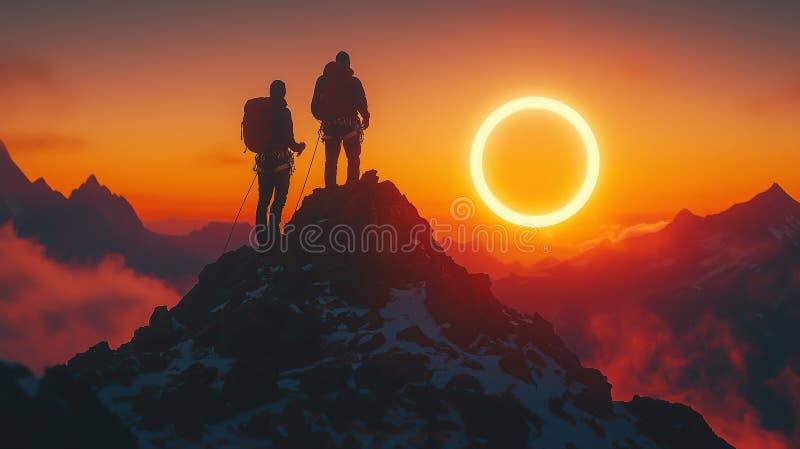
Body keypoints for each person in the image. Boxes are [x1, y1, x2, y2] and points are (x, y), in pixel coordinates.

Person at [254, 80, 305, 248]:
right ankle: (273, 236)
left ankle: (262, 239)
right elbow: (288, 139)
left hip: (262, 162)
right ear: (283, 93)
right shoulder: (284, 112)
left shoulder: (261, 111)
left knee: (263, 200)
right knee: (279, 200)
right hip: (280, 162)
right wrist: (299, 147)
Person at [311, 50, 370, 188]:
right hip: (349, 126)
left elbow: (314, 107)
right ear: (348, 64)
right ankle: (352, 186)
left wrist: (325, 118)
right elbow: (361, 102)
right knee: (353, 159)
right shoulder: (353, 81)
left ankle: (330, 189)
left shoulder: (322, 81)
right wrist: (366, 117)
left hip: (329, 128)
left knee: (331, 161)